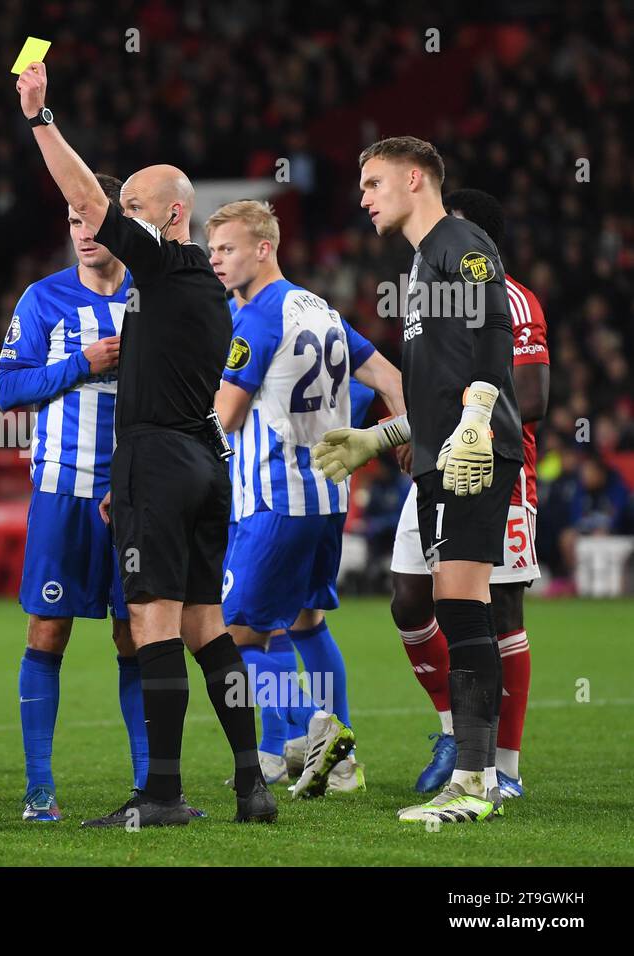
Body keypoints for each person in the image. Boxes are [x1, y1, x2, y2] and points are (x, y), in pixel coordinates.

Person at [16, 62, 276, 827]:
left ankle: (161, 792)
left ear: (172, 215)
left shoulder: (162, 266)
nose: (113, 219)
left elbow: (84, 200)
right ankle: (251, 783)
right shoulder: (205, 288)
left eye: (132, 206)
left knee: (153, 626)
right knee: (207, 627)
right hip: (203, 460)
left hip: (157, 461)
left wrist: (39, 118)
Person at [314, 136, 523, 824]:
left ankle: (476, 781)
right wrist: (380, 438)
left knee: (463, 608)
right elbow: (436, 386)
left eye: (373, 183)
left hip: (472, 452)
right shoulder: (420, 264)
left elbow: (495, 331)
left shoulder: (459, 242)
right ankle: (474, 776)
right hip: (443, 452)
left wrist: (479, 417)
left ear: (414, 179)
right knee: (455, 606)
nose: (364, 199)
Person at [207, 200, 405, 798]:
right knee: (306, 622)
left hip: (272, 500)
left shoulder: (258, 318)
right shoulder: (319, 308)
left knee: (236, 635)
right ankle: (327, 764)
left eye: (228, 249)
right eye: (213, 250)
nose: (217, 261)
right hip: (328, 497)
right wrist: (398, 436)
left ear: (264, 248)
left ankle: (316, 727)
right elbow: (391, 378)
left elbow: (226, 416)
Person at [0, 172, 156, 822]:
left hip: (137, 495)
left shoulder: (153, 295)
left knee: (135, 634)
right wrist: (81, 364)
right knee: (48, 630)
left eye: (92, 220)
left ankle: (150, 786)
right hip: (63, 490)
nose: (84, 234)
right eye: (73, 221)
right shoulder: (44, 298)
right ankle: (39, 789)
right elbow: (7, 389)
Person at [388, 189, 548, 799]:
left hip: (493, 467)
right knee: (409, 598)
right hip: (434, 466)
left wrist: (468, 424)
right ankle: (456, 733)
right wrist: (401, 433)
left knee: (497, 608)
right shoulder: (427, 294)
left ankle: (503, 766)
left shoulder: (510, 297)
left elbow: (530, 397)